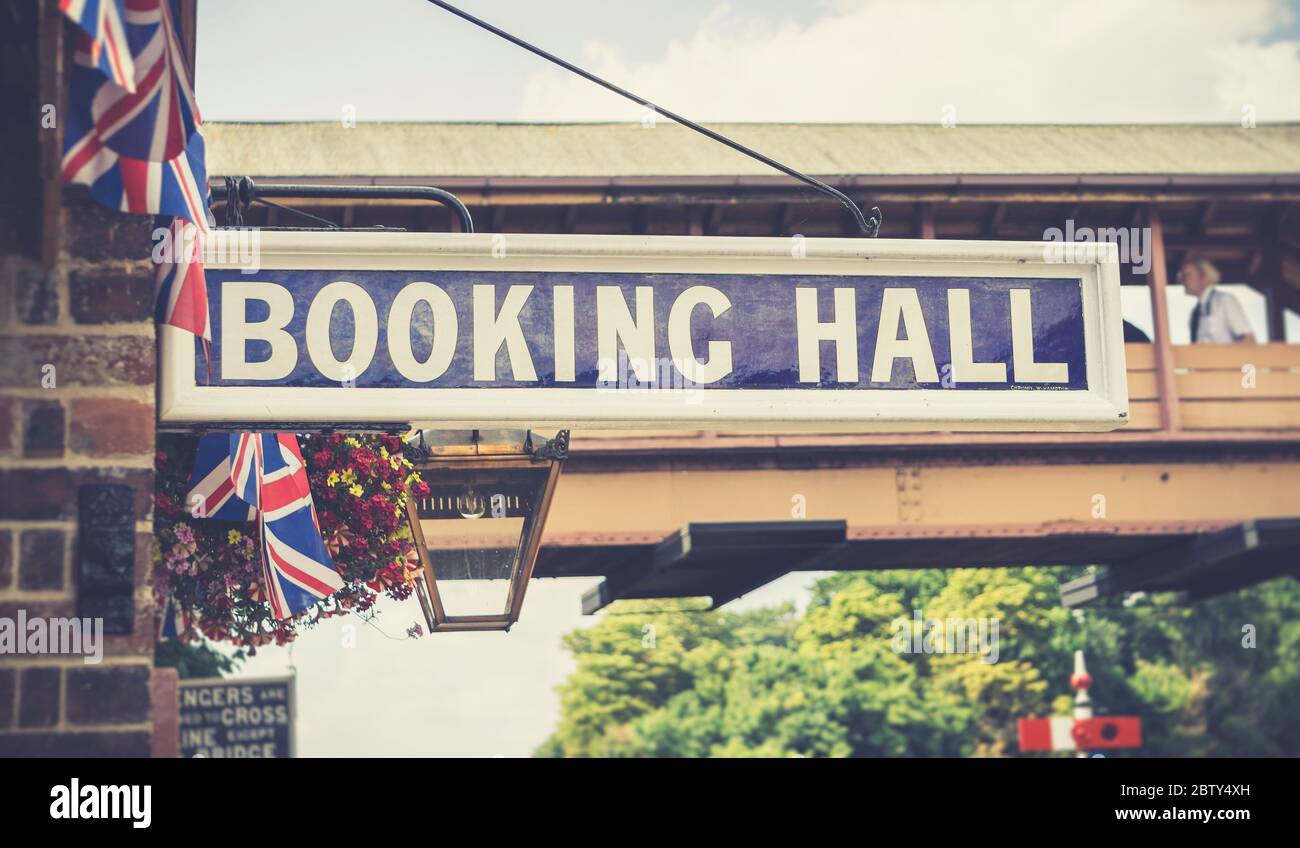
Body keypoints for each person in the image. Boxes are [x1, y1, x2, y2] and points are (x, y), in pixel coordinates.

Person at [1177, 258, 1257, 343]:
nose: (1181, 280)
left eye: (1186, 275)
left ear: (1202, 276)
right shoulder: (1195, 312)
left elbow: (1248, 340)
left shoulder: (1224, 301)